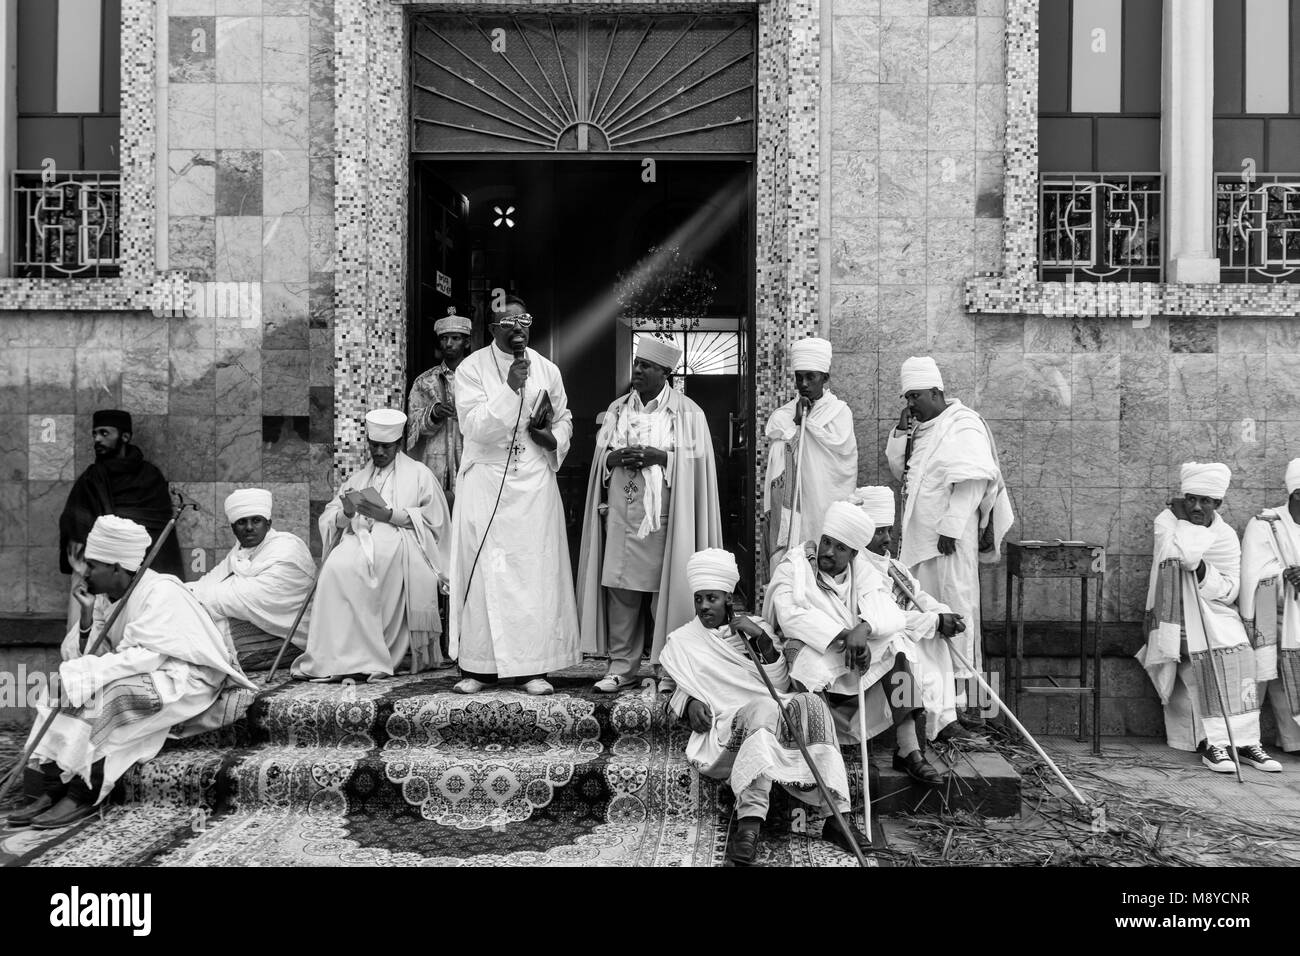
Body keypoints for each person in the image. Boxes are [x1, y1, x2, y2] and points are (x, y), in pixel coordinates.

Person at [6, 516, 256, 830]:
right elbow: (86, 654)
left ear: (117, 568)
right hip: (133, 668)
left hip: (184, 677)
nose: (84, 572)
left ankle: (83, 789)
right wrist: (85, 618)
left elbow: (147, 656)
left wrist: (92, 671)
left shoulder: (160, 591)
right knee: (62, 685)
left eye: (93, 565)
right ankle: (53, 784)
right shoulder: (102, 597)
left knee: (112, 696)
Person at [659, 548, 865, 865]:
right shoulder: (683, 640)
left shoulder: (755, 627)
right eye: (699, 599)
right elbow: (668, 684)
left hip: (774, 710)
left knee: (811, 702)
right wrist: (688, 702)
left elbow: (781, 683)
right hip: (728, 727)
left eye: (711, 598)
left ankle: (838, 817)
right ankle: (748, 829)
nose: (703, 606)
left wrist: (762, 642)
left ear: (728, 598)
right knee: (762, 708)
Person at [576, 334, 723, 694]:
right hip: (622, 513)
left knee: (666, 594)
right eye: (637, 364)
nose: (637, 371)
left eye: (646, 366)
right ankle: (621, 668)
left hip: (664, 519)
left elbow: (698, 466)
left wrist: (662, 457)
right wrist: (616, 457)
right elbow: (600, 458)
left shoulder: (688, 413)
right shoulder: (617, 410)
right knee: (621, 591)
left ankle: (667, 668)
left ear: (665, 372)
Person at [448, 297, 581, 695]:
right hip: (487, 482)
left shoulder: (548, 368)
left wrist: (551, 437)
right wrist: (509, 389)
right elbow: (475, 428)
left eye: (524, 319)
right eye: (509, 322)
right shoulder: (471, 369)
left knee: (533, 571)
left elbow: (564, 418)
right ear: (493, 328)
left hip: (534, 482)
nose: (518, 327)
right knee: (486, 569)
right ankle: (479, 666)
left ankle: (533, 667)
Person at [764, 499, 947, 787]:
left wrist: (864, 629)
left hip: (851, 647)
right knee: (808, 664)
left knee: (896, 647)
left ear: (852, 553)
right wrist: (845, 635)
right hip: (812, 645)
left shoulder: (863, 570)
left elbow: (888, 612)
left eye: (839, 548)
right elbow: (790, 617)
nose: (827, 552)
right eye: (826, 542)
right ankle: (822, 750)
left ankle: (909, 748)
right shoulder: (796, 565)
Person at [885, 356, 1013, 730]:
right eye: (907, 397)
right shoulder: (923, 429)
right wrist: (900, 431)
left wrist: (951, 528)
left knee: (958, 612)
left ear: (937, 392)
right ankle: (919, 709)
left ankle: (970, 710)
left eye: (917, 396)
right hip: (919, 544)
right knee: (920, 620)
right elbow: (901, 472)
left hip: (948, 544)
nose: (911, 404)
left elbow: (973, 481)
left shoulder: (963, 424)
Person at [1137, 462, 1281, 774]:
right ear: (1182, 499)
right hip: (1175, 616)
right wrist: (1187, 535)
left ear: (1218, 504)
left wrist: (1202, 570)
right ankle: (1214, 744)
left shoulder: (1226, 535)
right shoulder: (1166, 521)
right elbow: (1181, 556)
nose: (1196, 507)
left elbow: (1229, 589)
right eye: (1190, 499)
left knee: (1242, 655)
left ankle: (1245, 742)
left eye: (1205, 501)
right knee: (1206, 658)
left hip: (1216, 612)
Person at [291, 409, 451, 682]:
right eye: (373, 445)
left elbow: (435, 521)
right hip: (358, 538)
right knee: (334, 568)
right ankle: (338, 657)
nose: (378, 451)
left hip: (402, 541)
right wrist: (347, 513)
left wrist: (390, 516)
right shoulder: (357, 479)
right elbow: (332, 518)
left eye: (385, 446)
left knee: (377, 566)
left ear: (398, 445)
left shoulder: (420, 475)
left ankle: (375, 655)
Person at [854, 485, 979, 745]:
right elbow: (886, 616)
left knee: (938, 633)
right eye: (879, 532)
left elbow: (919, 596)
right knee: (917, 639)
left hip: (913, 634)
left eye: (889, 530)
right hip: (883, 644)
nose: (888, 538)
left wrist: (941, 613)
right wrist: (933, 622)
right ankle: (925, 729)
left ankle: (946, 719)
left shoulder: (893, 566)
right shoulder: (859, 570)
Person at [58, 409, 184, 630]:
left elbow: (160, 529)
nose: (97, 439)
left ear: (125, 437)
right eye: (95, 433)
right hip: (98, 571)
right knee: (88, 633)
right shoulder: (91, 477)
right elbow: (74, 523)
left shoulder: (150, 476)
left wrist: (126, 543)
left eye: (104, 433)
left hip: (145, 574)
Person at [188, 488, 316, 671]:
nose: (249, 527)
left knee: (206, 637)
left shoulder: (287, 548)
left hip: (292, 635)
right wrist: (181, 592)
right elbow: (210, 582)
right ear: (233, 527)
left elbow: (246, 595)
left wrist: (187, 597)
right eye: (241, 522)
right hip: (259, 625)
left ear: (268, 524)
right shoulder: (241, 551)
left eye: (256, 520)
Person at [761, 337, 857, 580]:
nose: (803, 384)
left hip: (825, 502)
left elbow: (843, 458)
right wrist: (796, 424)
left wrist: (808, 423)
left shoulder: (839, 412)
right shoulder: (783, 415)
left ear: (825, 377)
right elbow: (777, 458)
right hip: (794, 506)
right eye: (799, 377)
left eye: (810, 377)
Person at [1238, 458, 1300, 755]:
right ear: (1297, 493)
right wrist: (1284, 576)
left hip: (1298, 619)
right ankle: (1243, 740)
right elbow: (1254, 571)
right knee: (1260, 673)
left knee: (1290, 682)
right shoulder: (1265, 523)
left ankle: (1294, 741)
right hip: (1266, 615)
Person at [407, 306, 472, 509]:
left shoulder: (478, 378)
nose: (449, 343)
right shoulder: (424, 381)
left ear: (467, 342)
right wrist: (433, 413)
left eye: (455, 338)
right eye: (444, 339)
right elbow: (411, 426)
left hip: (469, 462)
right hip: (434, 463)